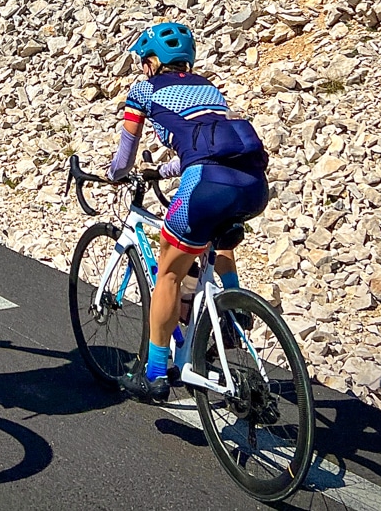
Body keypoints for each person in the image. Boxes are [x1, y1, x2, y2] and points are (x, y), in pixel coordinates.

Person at [106, 21, 269, 402]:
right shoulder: (209, 88)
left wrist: (116, 175)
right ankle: (232, 312)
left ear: (151, 61)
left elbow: (126, 155)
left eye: (143, 60)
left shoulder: (144, 89)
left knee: (168, 273)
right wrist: (163, 171)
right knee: (217, 240)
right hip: (252, 184)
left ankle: (156, 374)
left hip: (206, 184)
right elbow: (209, 145)